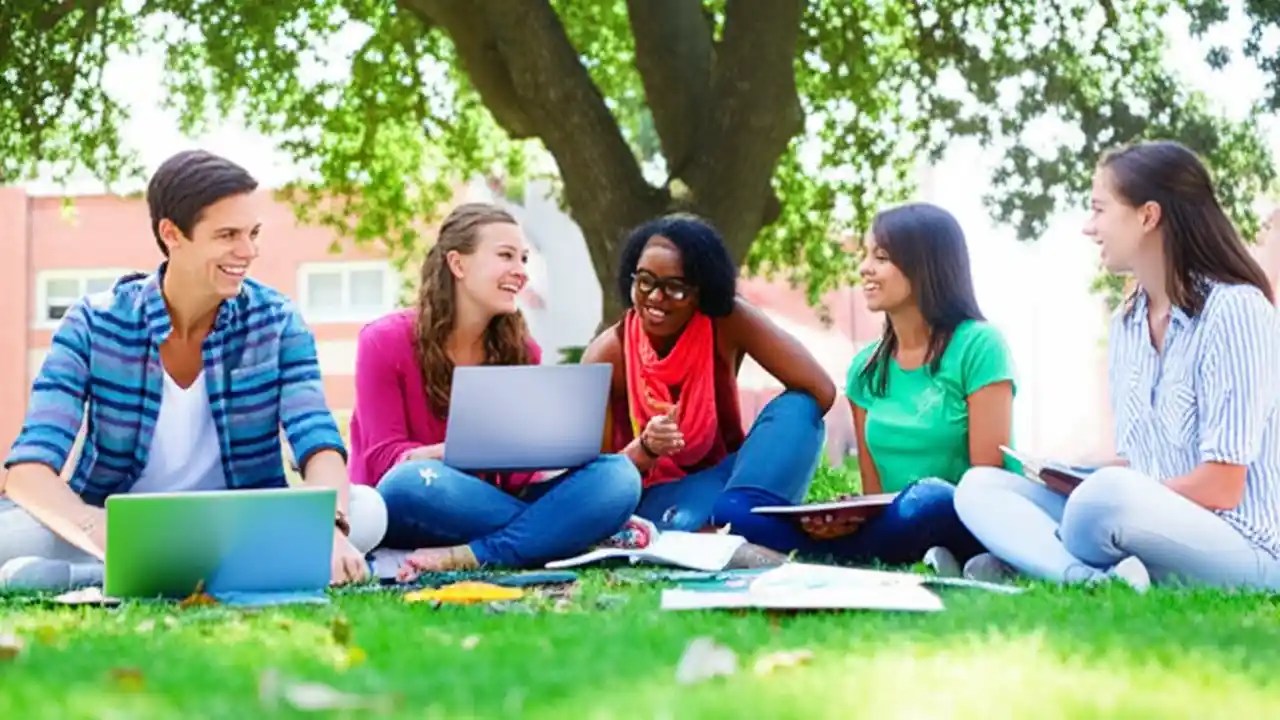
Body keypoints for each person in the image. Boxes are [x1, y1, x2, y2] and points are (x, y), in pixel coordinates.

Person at [0, 150, 385, 591]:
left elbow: (317, 440)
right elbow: (29, 470)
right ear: (172, 234)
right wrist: (97, 529)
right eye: (227, 235)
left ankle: (91, 578)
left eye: (253, 233)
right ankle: (179, 568)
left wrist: (328, 528)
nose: (248, 251)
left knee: (369, 509)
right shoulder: (93, 322)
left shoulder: (276, 321)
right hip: (114, 522)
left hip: (236, 523)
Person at [956, 140, 1280, 592]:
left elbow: (1223, 485)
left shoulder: (1236, 311)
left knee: (1103, 501)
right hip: (1140, 518)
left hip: (1243, 541)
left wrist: (1104, 491)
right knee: (980, 487)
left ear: (1148, 216)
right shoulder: (1127, 323)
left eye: (1099, 210)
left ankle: (1032, 560)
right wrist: (1068, 474)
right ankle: (1093, 580)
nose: (1090, 228)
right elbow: (1138, 461)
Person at [349, 202, 641, 579]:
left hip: (485, 509)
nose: (520, 272)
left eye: (523, 259)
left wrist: (549, 453)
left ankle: (477, 553)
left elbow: (517, 479)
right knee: (412, 481)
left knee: (618, 476)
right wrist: (465, 450)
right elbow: (382, 463)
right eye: (506, 256)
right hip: (422, 500)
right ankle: (567, 533)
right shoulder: (383, 341)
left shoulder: (522, 350)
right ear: (458, 264)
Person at [761, 203, 1014, 572]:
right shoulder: (866, 368)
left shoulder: (979, 346)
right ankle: (856, 551)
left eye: (881, 257)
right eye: (866, 255)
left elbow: (986, 484)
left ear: (925, 265)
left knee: (928, 499)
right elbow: (873, 494)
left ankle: (832, 559)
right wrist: (848, 518)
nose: (865, 268)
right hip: (896, 521)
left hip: (964, 515)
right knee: (739, 511)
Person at [581, 213, 836, 557]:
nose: (656, 297)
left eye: (675, 287)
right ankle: (746, 529)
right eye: (645, 281)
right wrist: (645, 448)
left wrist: (761, 465)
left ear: (702, 291)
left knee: (799, 406)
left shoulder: (727, 322)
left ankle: (738, 520)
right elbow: (591, 481)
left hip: (734, 481)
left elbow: (819, 390)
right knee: (686, 520)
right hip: (657, 495)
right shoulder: (609, 352)